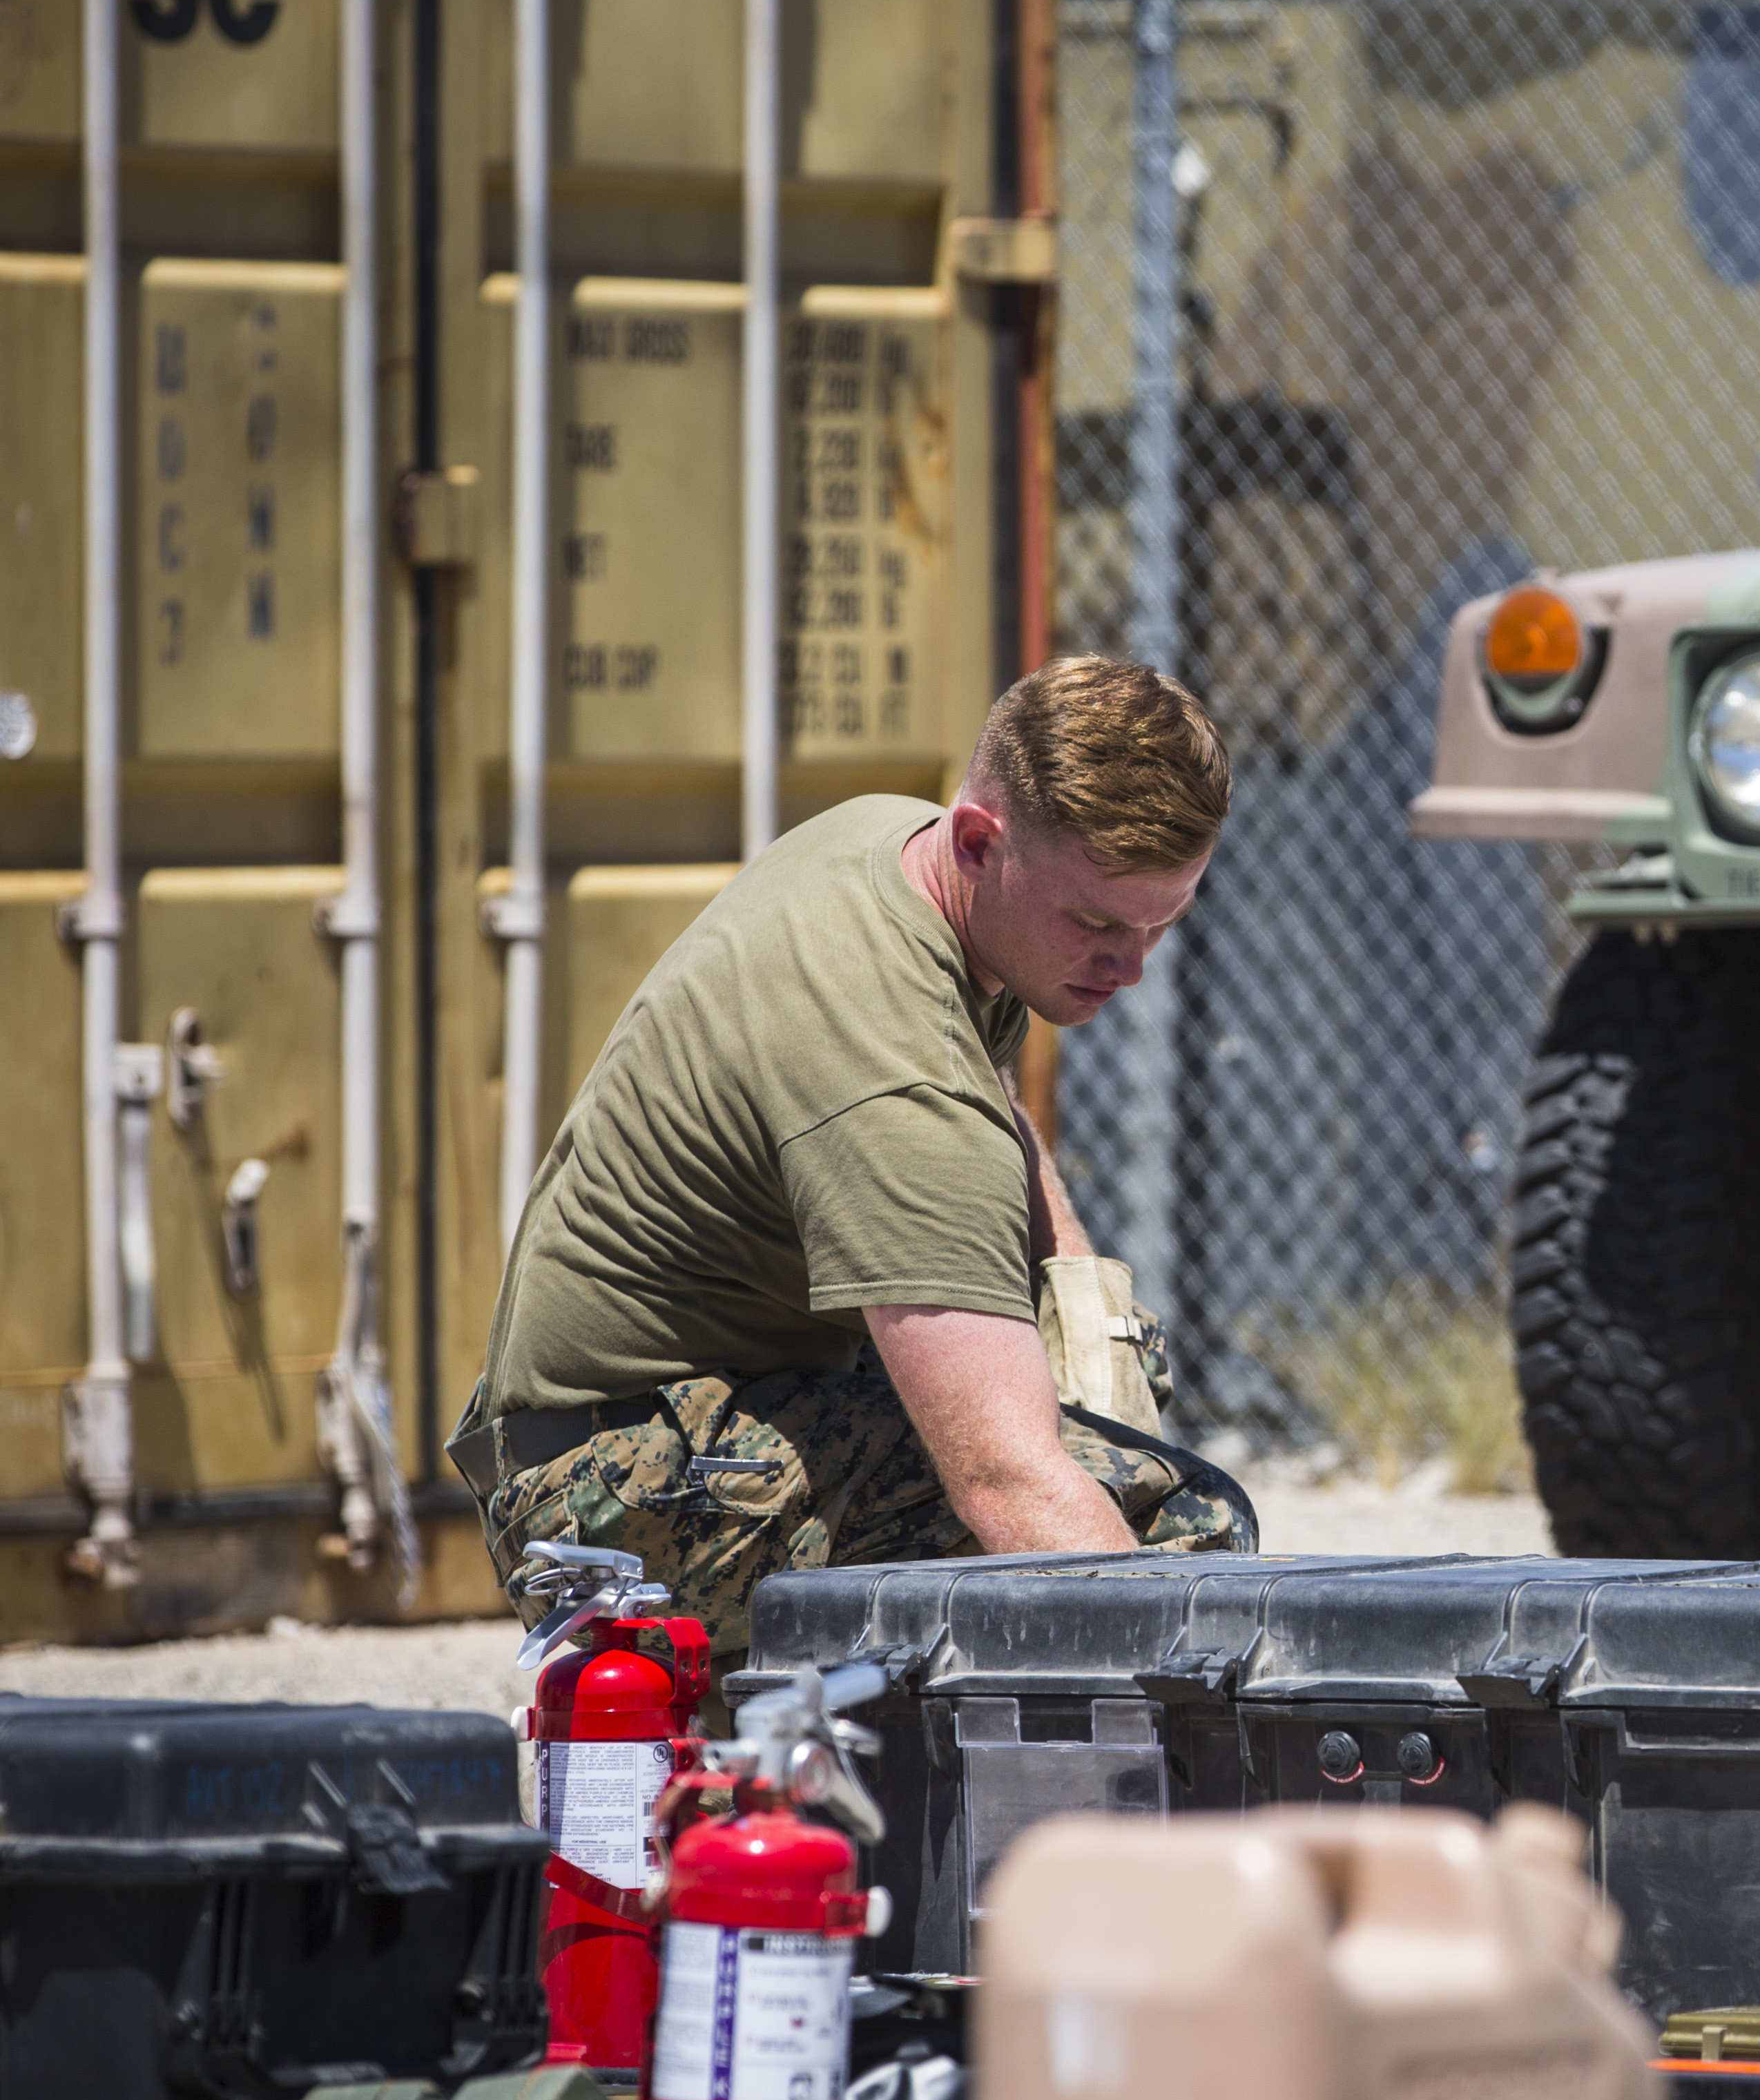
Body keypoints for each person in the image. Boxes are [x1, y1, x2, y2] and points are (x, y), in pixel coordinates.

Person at [451, 655, 1254, 1659]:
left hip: (663, 1419)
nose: (1131, 967)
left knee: (1100, 1468)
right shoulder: (896, 1075)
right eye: (1097, 922)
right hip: (609, 1498)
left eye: (1161, 924)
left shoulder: (903, 848)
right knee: (1172, 1529)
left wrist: (1079, 1298)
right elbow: (1006, 1483)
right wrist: (1193, 1714)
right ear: (978, 841)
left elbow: (990, 1093)